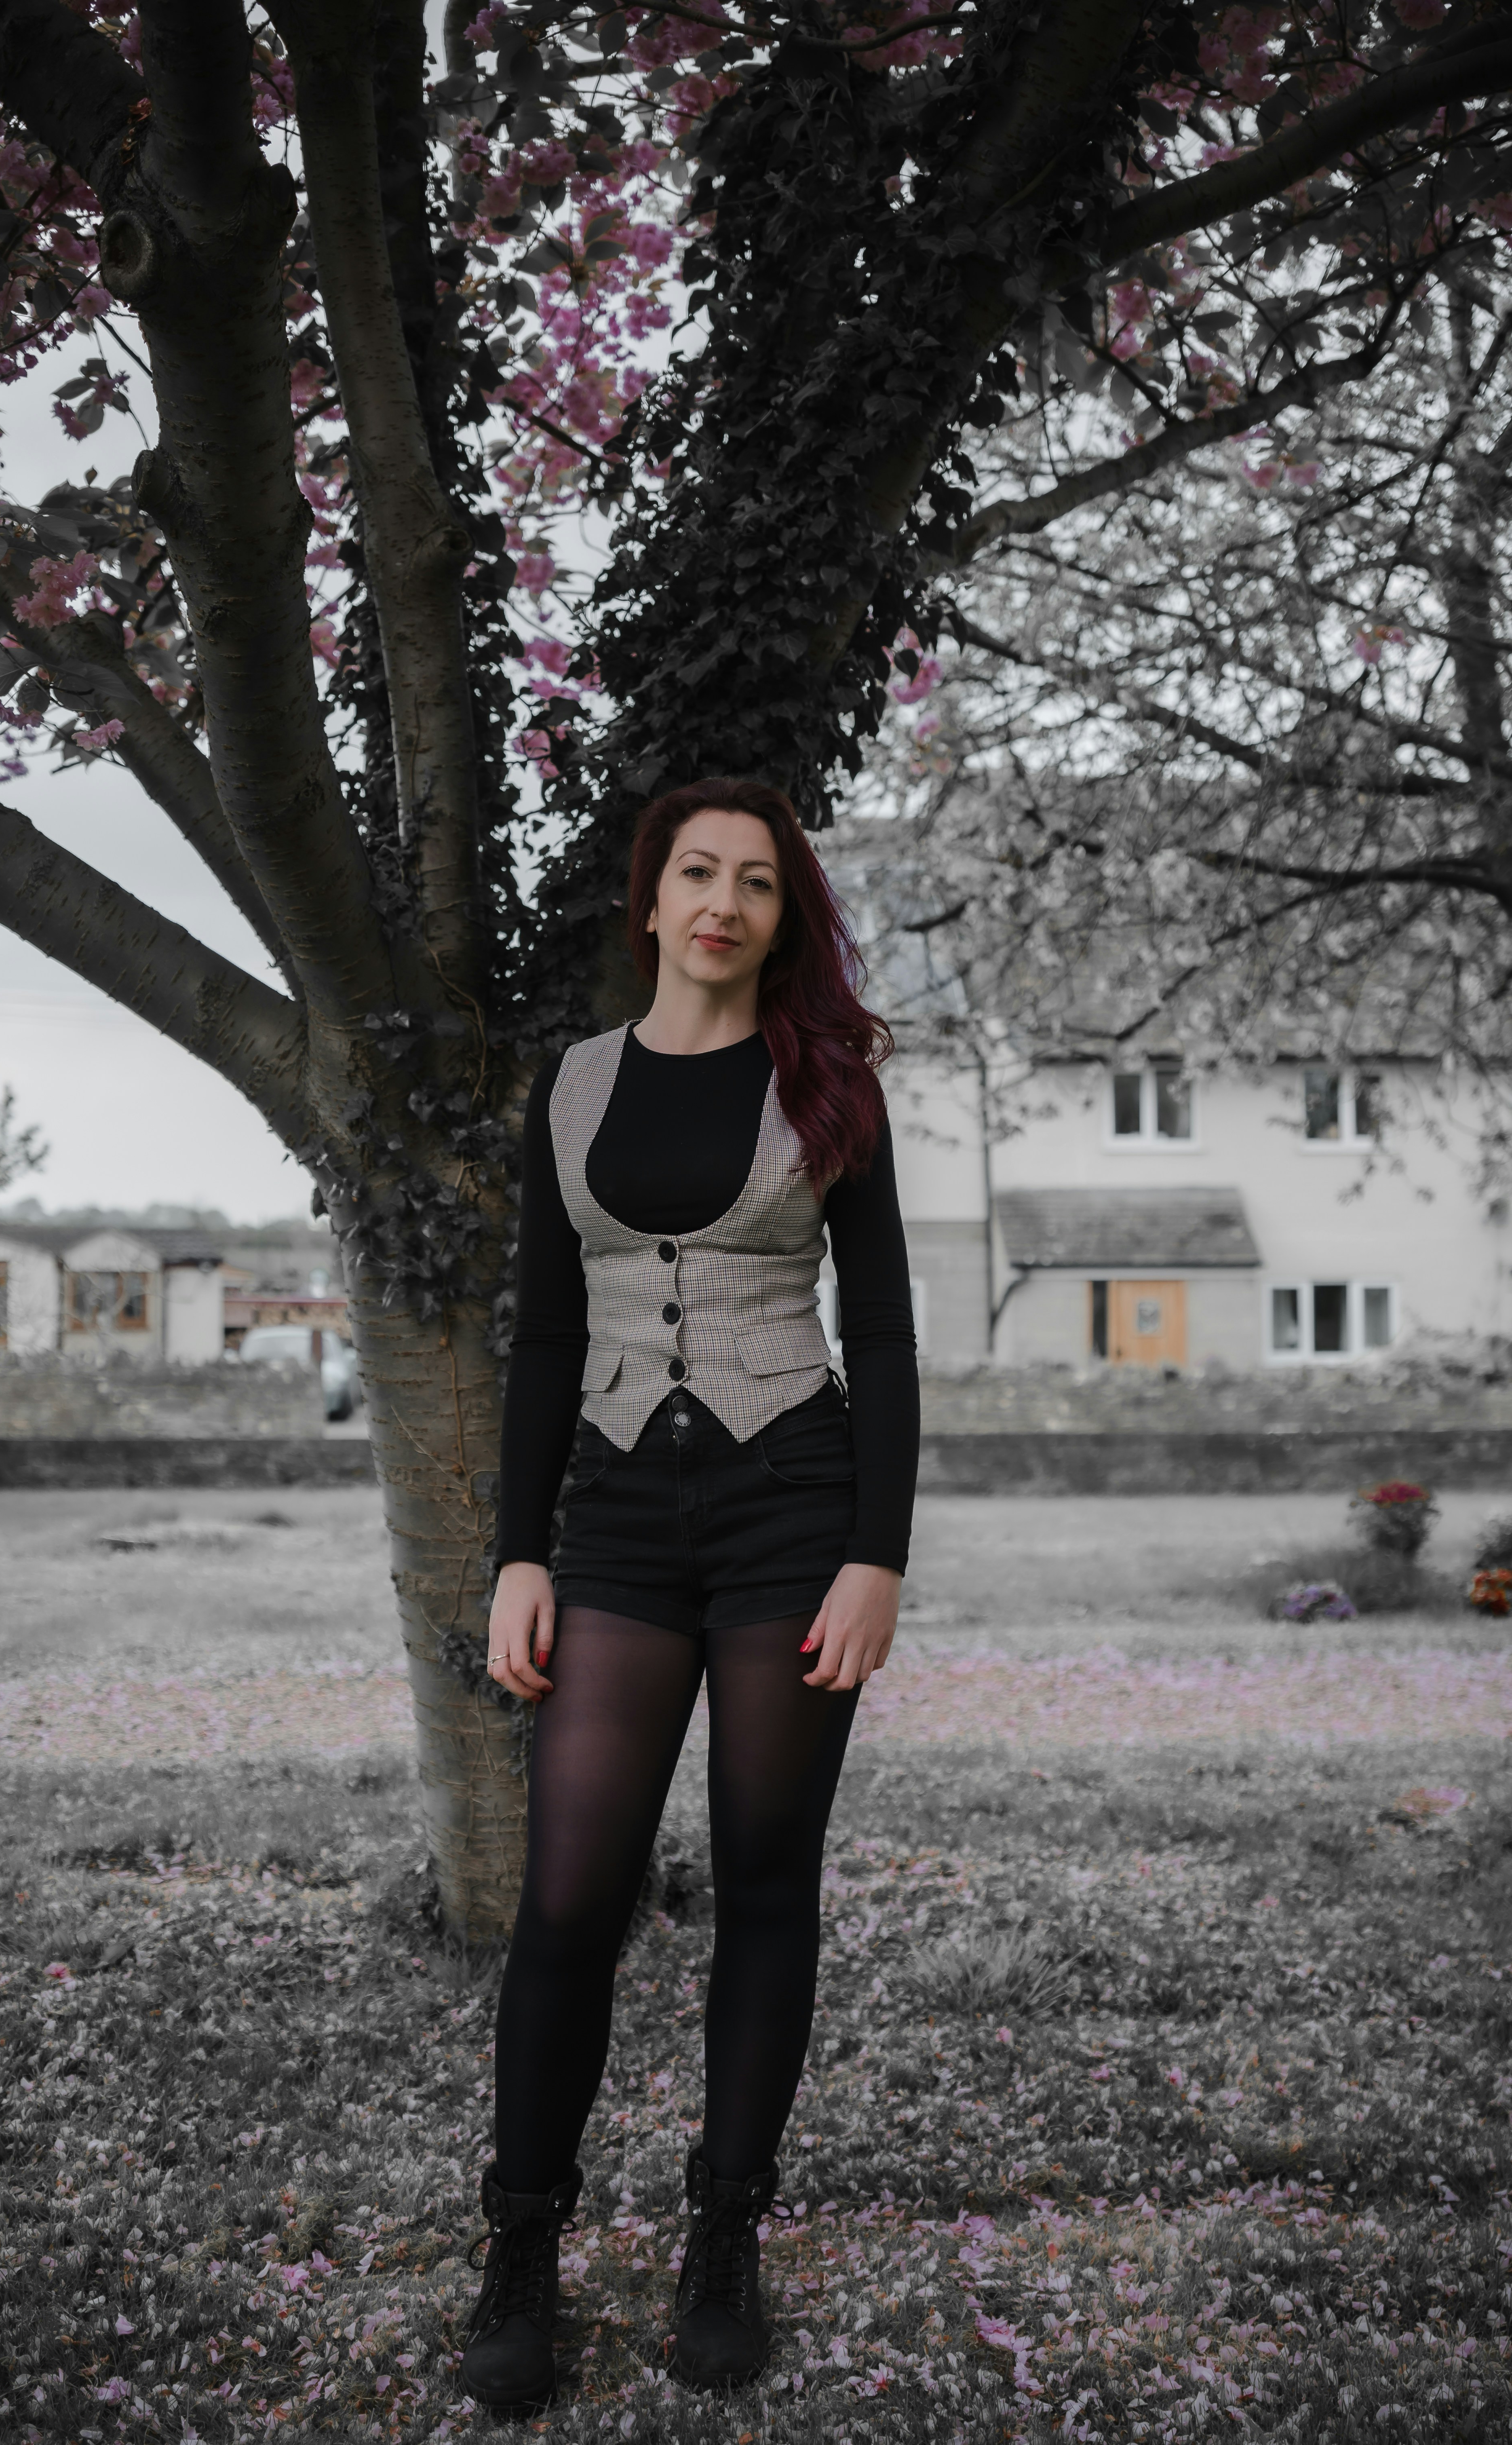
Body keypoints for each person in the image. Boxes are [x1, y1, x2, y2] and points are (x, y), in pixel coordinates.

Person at [464, 776, 919, 2411]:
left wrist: (877, 1552)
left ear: (780, 917)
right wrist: (519, 1549)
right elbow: (535, 1339)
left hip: (790, 1506)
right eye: (695, 874)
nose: (723, 902)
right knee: (569, 1899)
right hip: (615, 1524)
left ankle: (721, 2240)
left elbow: (881, 1329)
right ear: (652, 901)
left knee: (763, 1881)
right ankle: (521, 2243)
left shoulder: (827, 1084)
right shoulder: (573, 1086)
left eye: (756, 883)